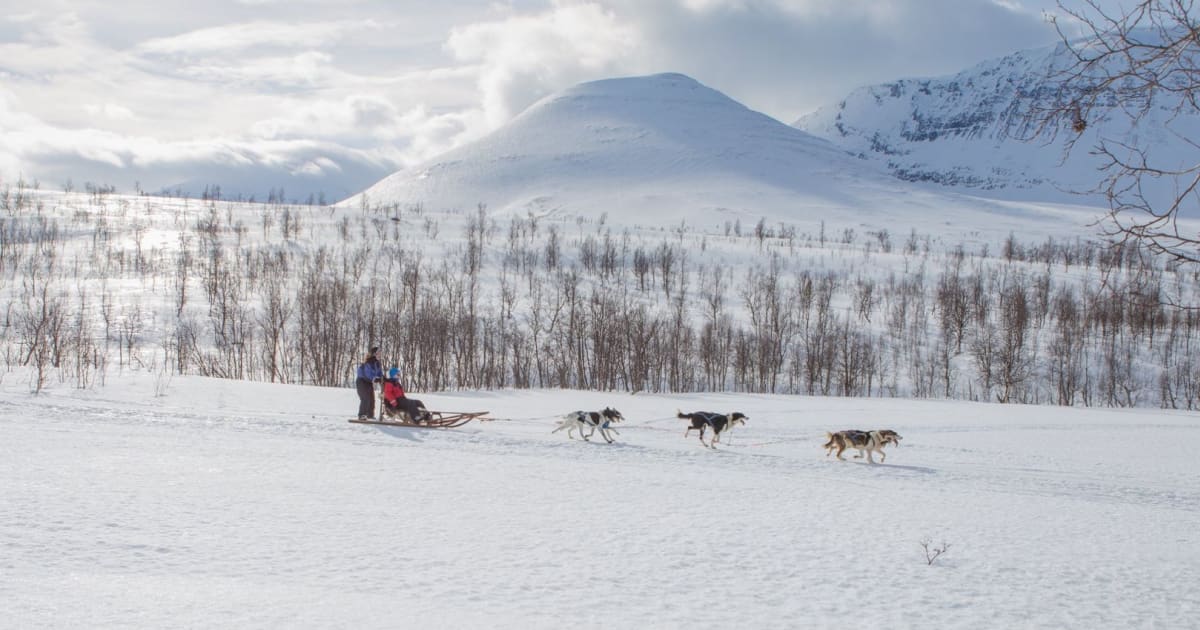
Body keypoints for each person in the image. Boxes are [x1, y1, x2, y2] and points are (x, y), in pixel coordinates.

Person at [355, 346, 383, 419]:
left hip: (369, 382)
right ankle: (362, 415)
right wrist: (375, 378)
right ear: (374, 354)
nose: (380, 354)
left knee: (371, 399)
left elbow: (380, 373)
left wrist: (383, 379)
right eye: (378, 353)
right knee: (365, 398)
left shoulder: (377, 363)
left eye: (380, 353)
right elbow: (367, 374)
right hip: (362, 381)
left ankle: (370, 415)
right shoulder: (368, 362)